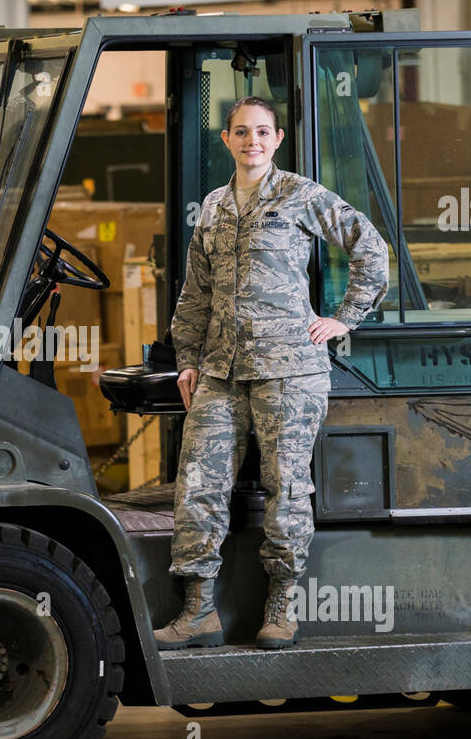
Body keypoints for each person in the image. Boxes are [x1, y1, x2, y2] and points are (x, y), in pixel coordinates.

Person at [154, 96, 389, 651]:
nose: (251, 141)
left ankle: (282, 608)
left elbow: (370, 248)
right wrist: (186, 359)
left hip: (290, 369)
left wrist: (342, 319)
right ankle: (198, 611)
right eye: (241, 132)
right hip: (220, 369)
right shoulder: (212, 206)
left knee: (286, 487)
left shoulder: (300, 195)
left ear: (277, 138)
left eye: (262, 132)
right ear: (227, 140)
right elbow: (196, 292)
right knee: (197, 485)